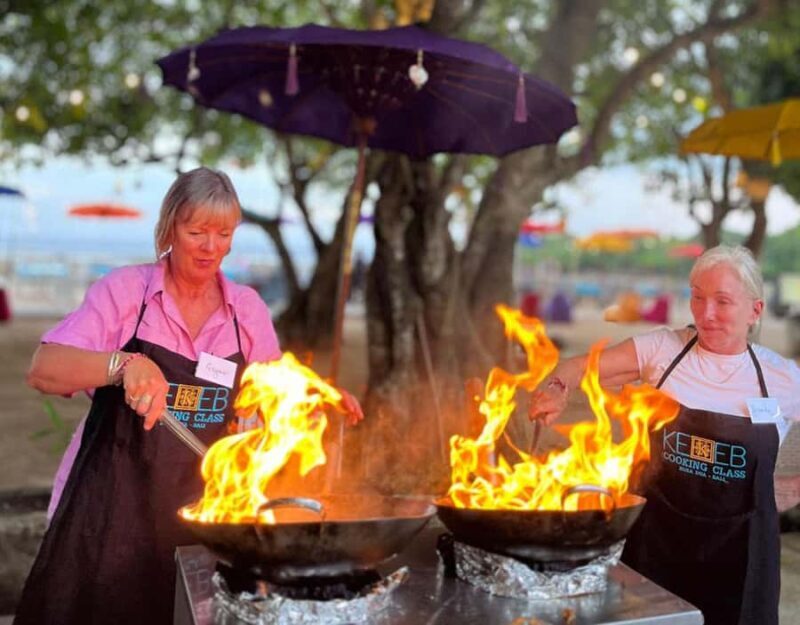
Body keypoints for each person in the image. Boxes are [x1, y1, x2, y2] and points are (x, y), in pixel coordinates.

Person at [14, 167, 362, 625]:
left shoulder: (246, 311)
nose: (210, 246)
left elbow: (273, 395)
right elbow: (45, 370)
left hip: (204, 516)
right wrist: (122, 365)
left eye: (223, 233)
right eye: (196, 230)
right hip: (110, 509)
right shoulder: (126, 294)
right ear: (169, 227)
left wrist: (310, 396)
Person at [529, 245, 800, 625]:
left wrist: (793, 486)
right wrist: (557, 388)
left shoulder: (784, 378)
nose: (706, 314)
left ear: (755, 310)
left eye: (722, 301)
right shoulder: (662, 349)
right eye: (698, 298)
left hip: (741, 558)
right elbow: (577, 367)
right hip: (656, 545)